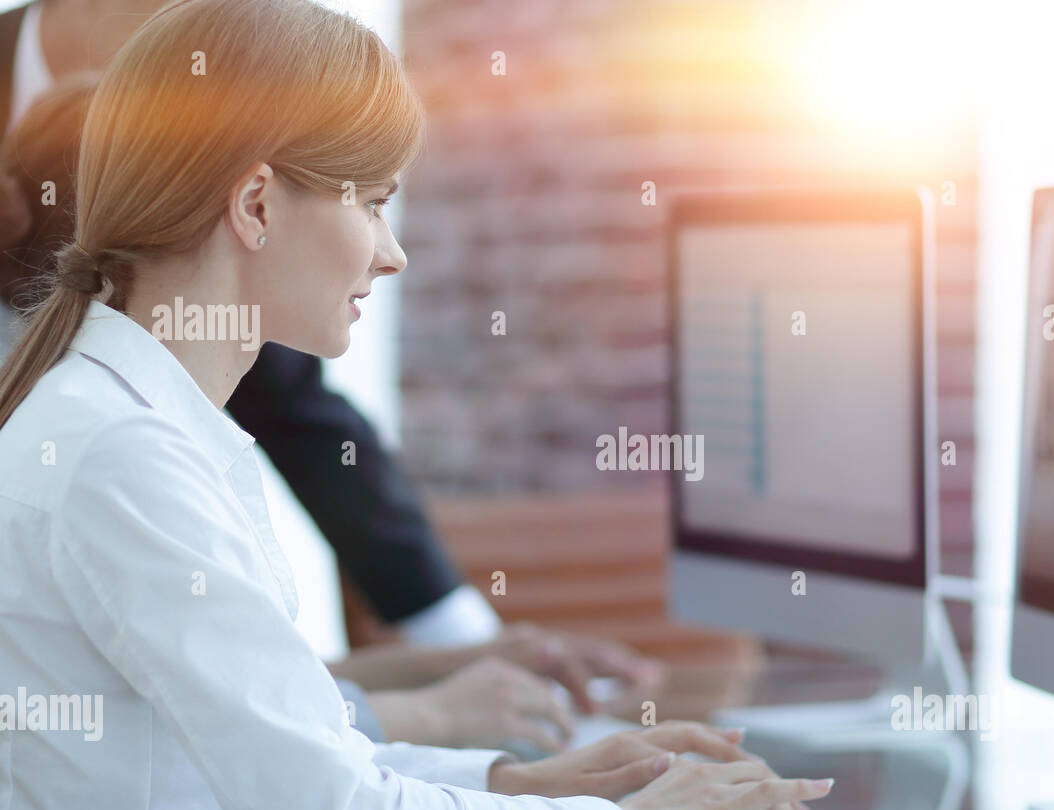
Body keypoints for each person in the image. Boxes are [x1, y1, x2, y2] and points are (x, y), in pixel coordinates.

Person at [0, 0, 830, 810]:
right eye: (374, 203)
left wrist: (527, 784)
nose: (392, 255)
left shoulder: (135, 425)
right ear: (256, 203)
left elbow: (309, 763)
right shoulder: (128, 458)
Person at [0, 0, 670, 755]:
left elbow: (233, 686)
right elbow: (285, 773)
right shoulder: (120, 451)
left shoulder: (179, 395)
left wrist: (463, 653)